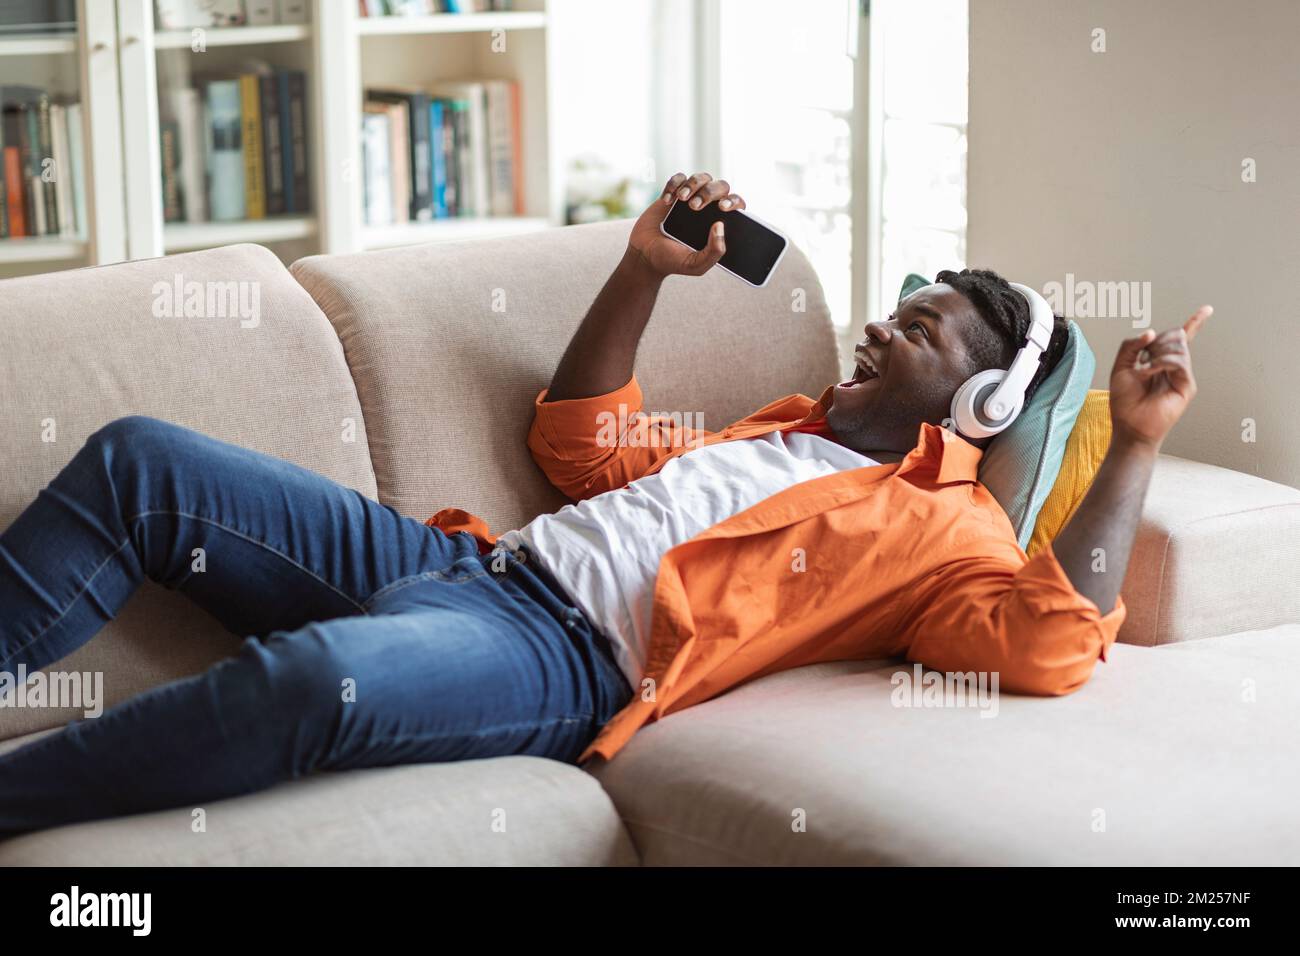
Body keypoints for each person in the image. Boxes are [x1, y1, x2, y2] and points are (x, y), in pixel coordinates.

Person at [0, 172, 1210, 836]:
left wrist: (1135, 442)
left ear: (982, 398)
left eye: (921, 329)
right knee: (141, 457)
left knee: (314, 681)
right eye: (897, 306)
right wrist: (642, 268)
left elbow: (1052, 640)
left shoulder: (942, 529)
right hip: (466, 564)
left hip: (554, 654)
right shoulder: (780, 423)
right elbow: (578, 443)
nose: (880, 324)